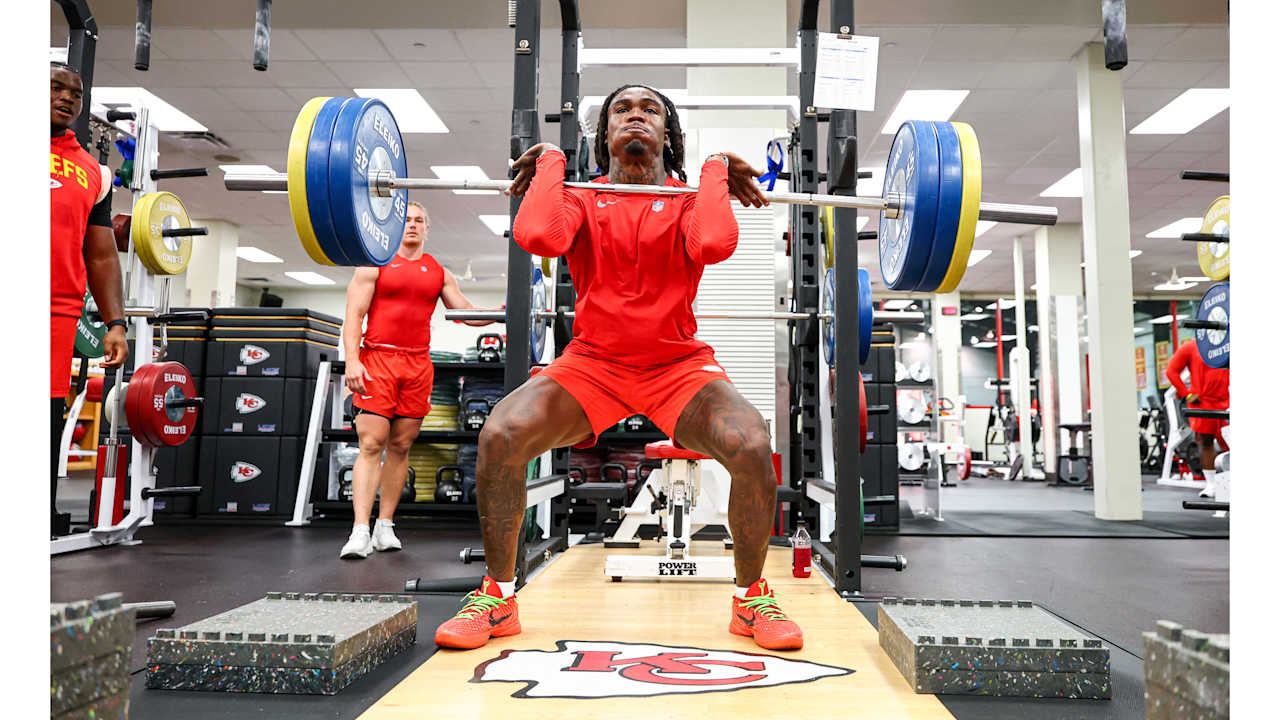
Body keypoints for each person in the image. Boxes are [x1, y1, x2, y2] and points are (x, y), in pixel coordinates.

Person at [433, 85, 803, 652]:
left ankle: (752, 601)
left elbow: (713, 243)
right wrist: (554, 161)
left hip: (676, 365)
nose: (635, 116)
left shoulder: (686, 201)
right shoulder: (581, 199)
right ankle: (498, 597)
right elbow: (539, 237)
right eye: (621, 110)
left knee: (751, 443)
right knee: (501, 434)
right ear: (603, 136)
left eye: (650, 110)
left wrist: (714, 167)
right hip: (593, 364)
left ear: (667, 135)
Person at [339, 201, 496, 558]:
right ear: (396, 227)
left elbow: (465, 313)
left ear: (427, 228)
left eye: (419, 221)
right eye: (406, 220)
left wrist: (505, 313)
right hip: (377, 358)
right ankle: (360, 531)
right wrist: (352, 361)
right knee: (371, 443)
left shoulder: (438, 272)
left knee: (401, 446)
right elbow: (354, 316)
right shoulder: (373, 264)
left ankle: (385, 526)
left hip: (417, 363)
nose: (412, 225)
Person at [50, 61, 128, 533]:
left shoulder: (93, 173)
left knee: (43, 426)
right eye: (55, 88)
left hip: (56, 315)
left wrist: (115, 323)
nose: (66, 98)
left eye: (75, 94)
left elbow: (100, 256)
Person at [1165, 338, 1229, 497]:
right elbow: (1171, 371)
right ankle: (1212, 485)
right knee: (1206, 441)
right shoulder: (1191, 346)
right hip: (1203, 401)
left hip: (1227, 399)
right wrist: (1187, 394)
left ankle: (1228, 485)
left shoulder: (1227, 342)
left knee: (1229, 441)